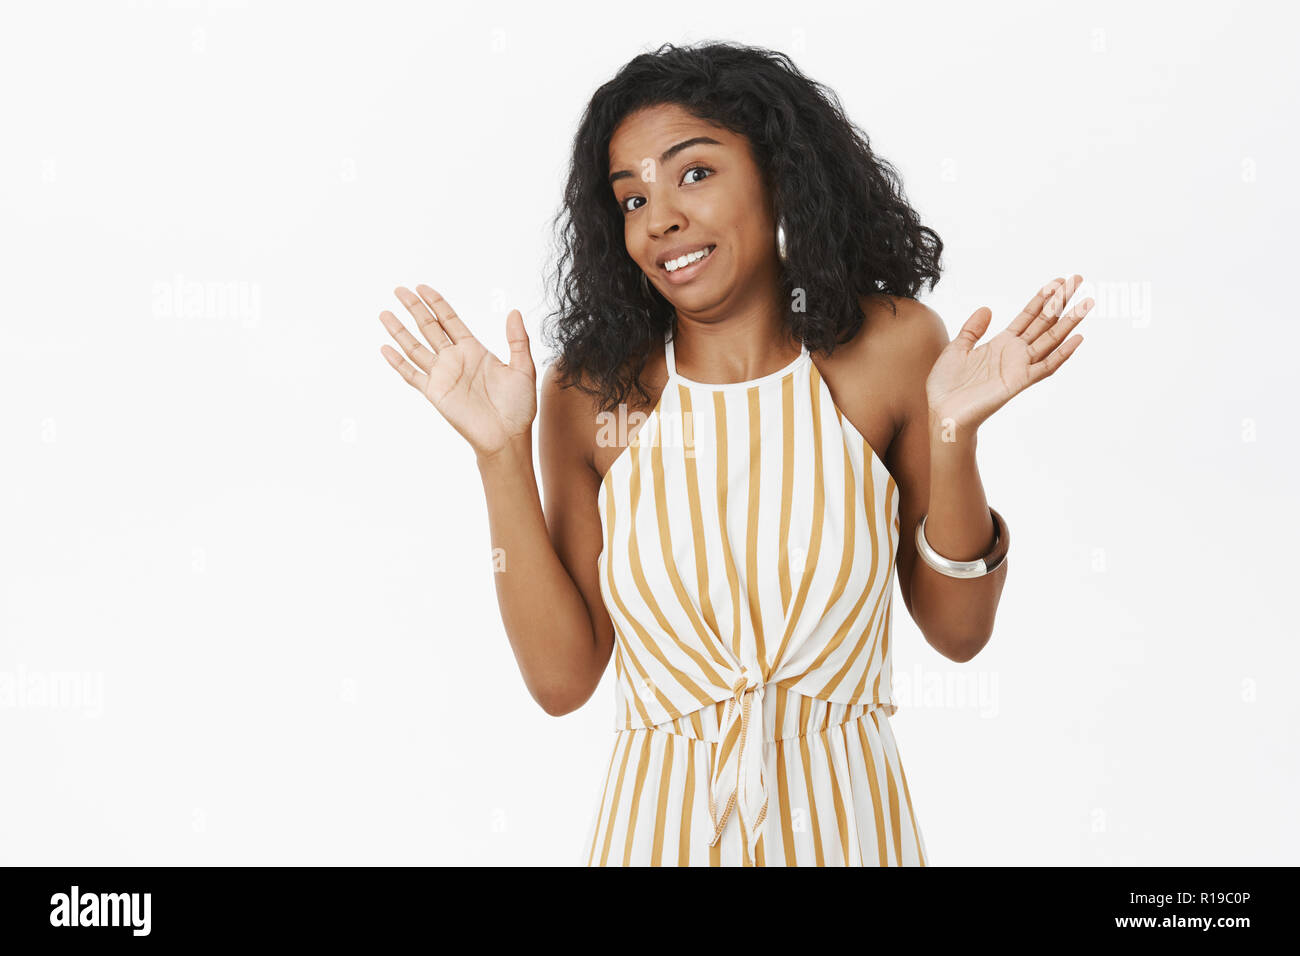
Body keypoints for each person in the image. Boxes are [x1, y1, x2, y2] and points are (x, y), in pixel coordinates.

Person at [377, 41, 1092, 866]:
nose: (660, 218)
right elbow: (562, 681)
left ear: (780, 174)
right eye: (632, 197)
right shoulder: (591, 396)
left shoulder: (891, 353)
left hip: (850, 837)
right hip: (656, 840)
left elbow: (960, 631)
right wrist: (499, 455)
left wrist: (953, 434)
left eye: (694, 174)